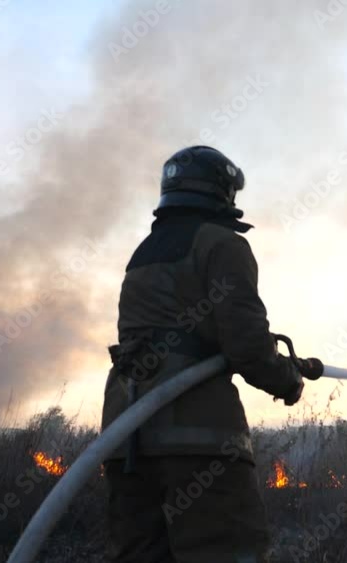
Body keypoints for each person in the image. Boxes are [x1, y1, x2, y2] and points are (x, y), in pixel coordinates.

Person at [102, 146, 322, 563]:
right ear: (222, 193)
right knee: (226, 552)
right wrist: (287, 379)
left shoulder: (143, 254)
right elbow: (247, 346)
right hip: (199, 439)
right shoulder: (223, 244)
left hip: (125, 437)